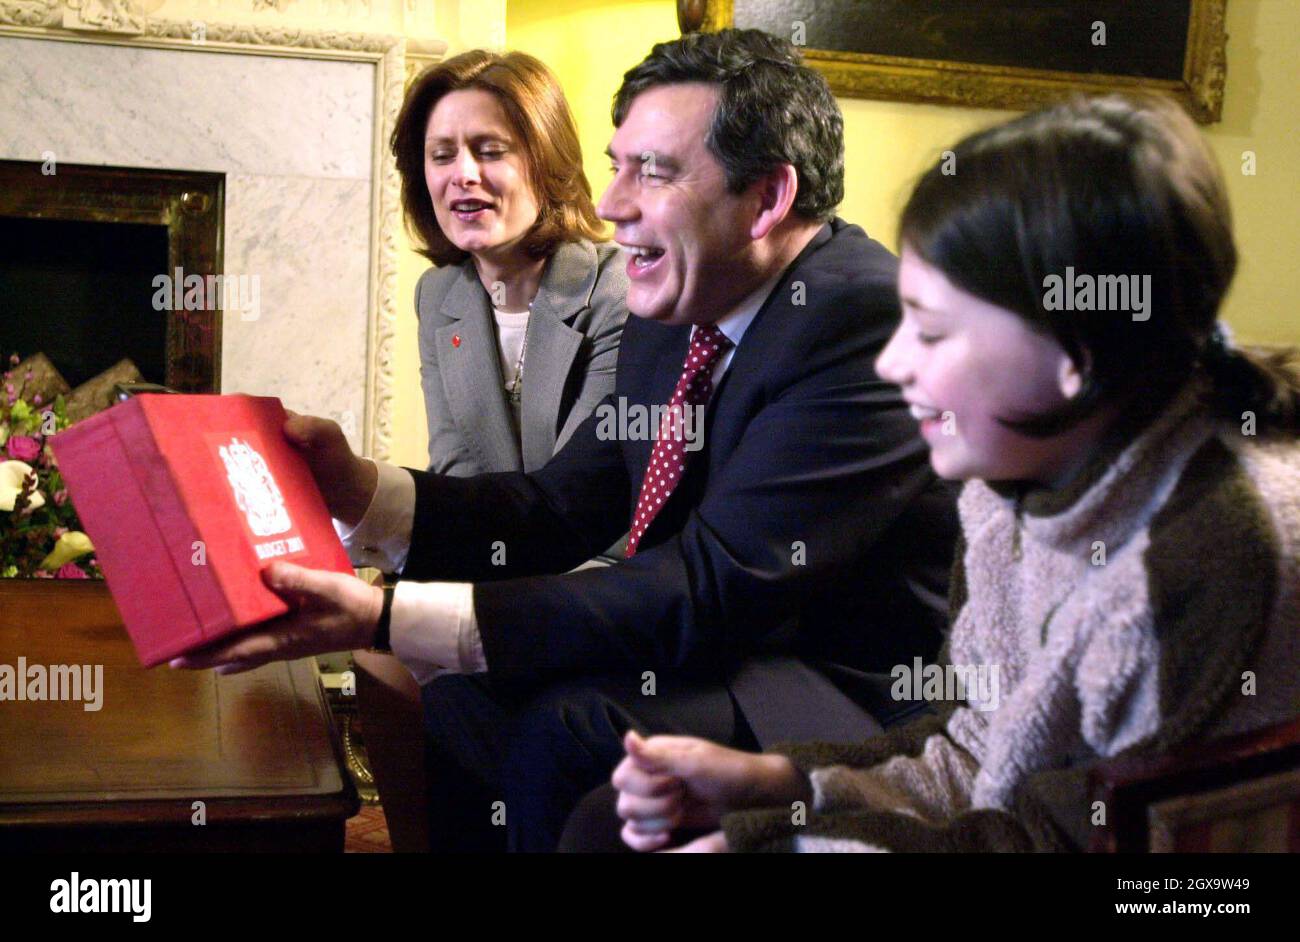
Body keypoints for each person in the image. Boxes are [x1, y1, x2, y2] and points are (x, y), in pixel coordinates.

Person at [170, 29, 958, 853]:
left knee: (571, 727)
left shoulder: (861, 322)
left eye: (652, 173)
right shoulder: (679, 312)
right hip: (717, 648)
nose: (613, 204)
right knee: (461, 698)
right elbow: (560, 502)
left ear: (766, 199)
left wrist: (383, 616)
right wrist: (360, 490)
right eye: (618, 165)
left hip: (841, 689)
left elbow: (709, 585)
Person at [607, 93, 1300, 853]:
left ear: (1076, 354)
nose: (893, 361)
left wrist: (788, 844)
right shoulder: (1012, 476)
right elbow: (976, 753)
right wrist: (782, 785)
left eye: (933, 331)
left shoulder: (1205, 554)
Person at [353, 50, 629, 849]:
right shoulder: (441, 293)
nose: (462, 176)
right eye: (442, 156)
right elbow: (462, 470)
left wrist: (458, 608)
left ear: (545, 159)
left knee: (450, 677)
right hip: (507, 567)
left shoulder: (618, 287)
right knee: (402, 650)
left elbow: (590, 504)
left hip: (600, 576)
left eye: (490, 150)